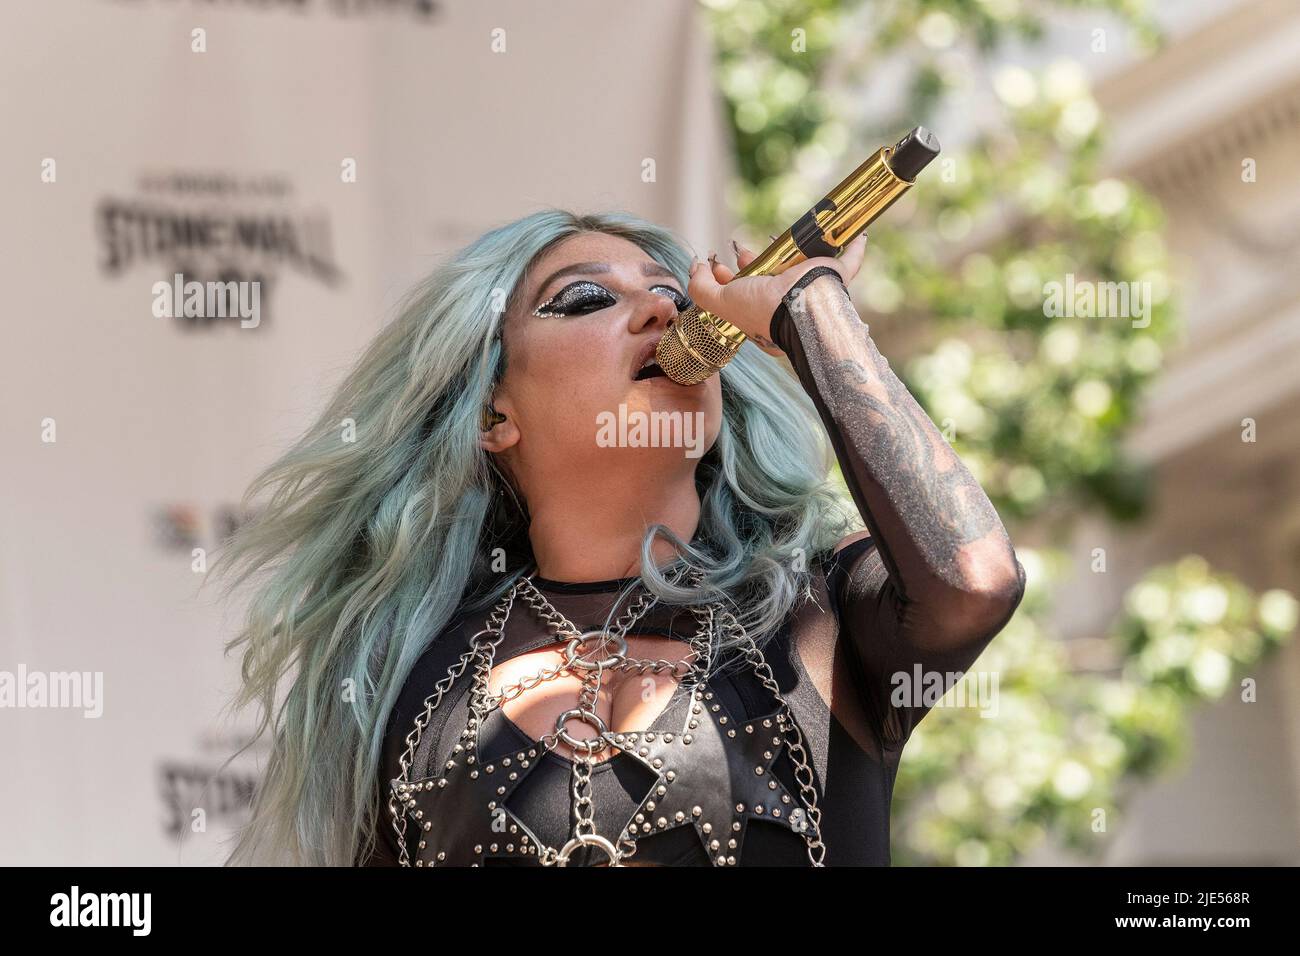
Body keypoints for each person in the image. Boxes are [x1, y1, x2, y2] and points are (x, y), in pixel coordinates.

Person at [214, 209, 1025, 867]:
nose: (664, 310)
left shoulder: (822, 612)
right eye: (584, 299)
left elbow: (975, 580)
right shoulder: (412, 682)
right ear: (495, 414)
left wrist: (812, 306)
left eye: (673, 294)